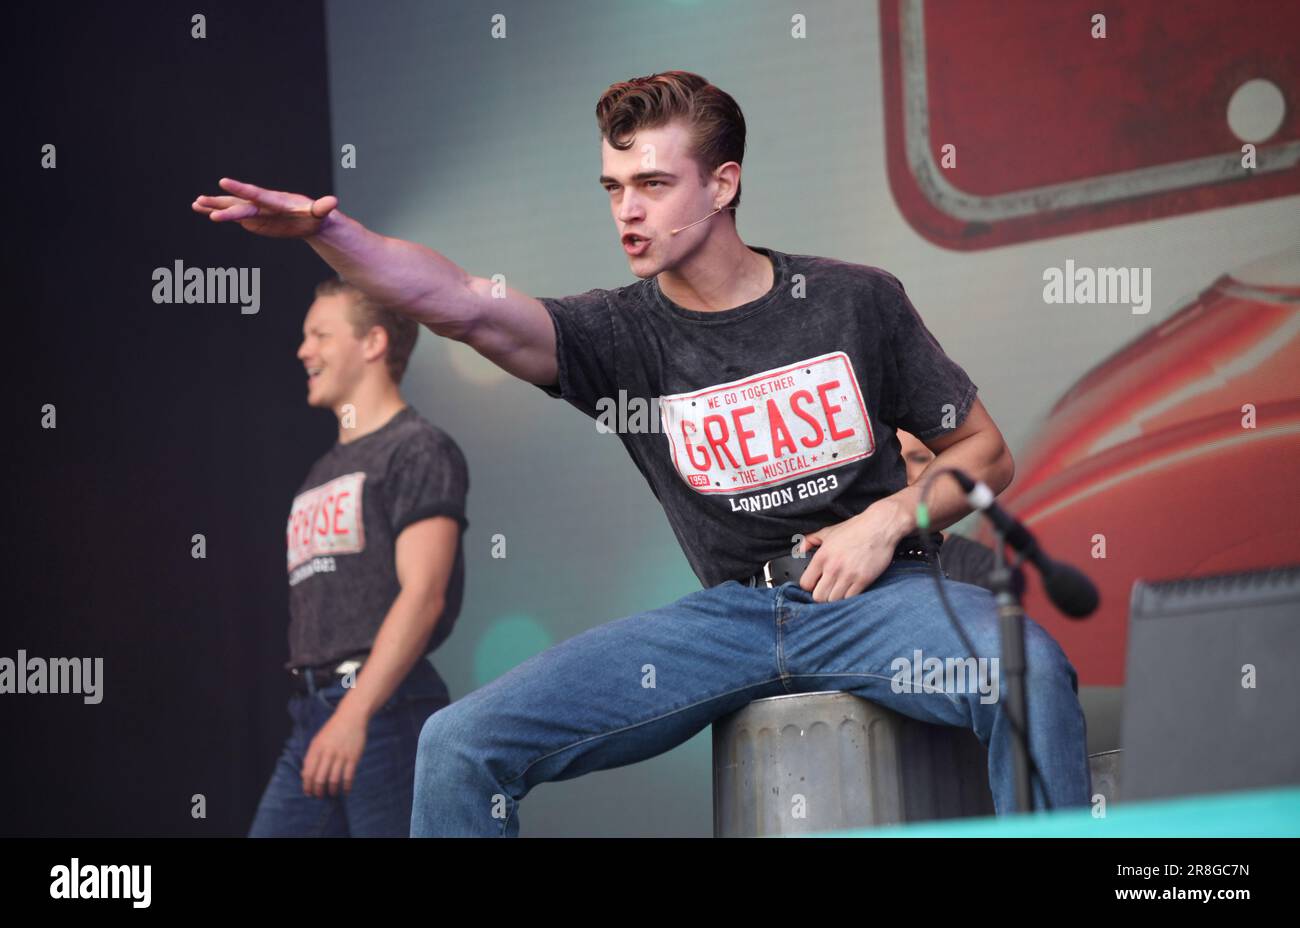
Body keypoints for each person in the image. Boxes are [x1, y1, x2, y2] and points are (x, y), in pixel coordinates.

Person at [196, 70, 1089, 836]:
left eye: (654, 183)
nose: (628, 208)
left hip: (875, 599)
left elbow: (984, 453)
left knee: (1029, 673)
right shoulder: (616, 333)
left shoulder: (854, 301)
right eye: (613, 186)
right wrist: (328, 233)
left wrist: (886, 520)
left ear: (723, 185)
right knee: (457, 744)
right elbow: (460, 301)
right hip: (731, 622)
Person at [247, 278, 469, 837]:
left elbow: (424, 594)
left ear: (372, 343)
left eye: (319, 334)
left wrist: (355, 713)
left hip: (383, 711)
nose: (303, 351)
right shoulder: (322, 469)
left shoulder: (417, 448)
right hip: (314, 717)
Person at [896, 428, 999, 592]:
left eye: (918, 458)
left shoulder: (975, 561)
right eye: (894, 461)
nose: (904, 471)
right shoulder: (853, 561)